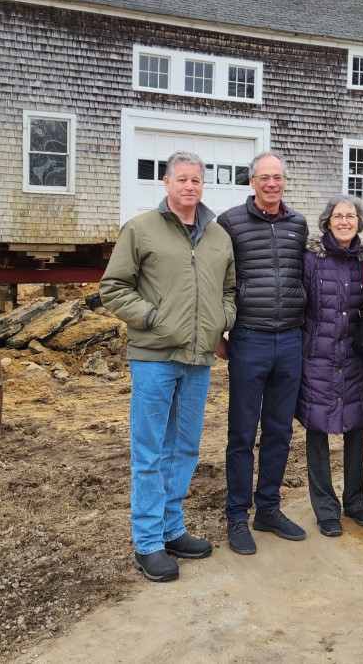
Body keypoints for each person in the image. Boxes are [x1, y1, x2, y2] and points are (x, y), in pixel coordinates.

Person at [100, 151, 235, 583]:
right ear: (166, 182)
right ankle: (148, 542)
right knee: (149, 452)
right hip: (154, 359)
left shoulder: (217, 236)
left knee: (186, 448)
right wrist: (155, 319)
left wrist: (223, 321)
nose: (190, 186)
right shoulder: (141, 229)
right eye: (182, 179)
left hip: (198, 360)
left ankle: (172, 528)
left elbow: (229, 290)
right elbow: (113, 287)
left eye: (196, 180)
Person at [217, 152, 309, 555]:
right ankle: (237, 515)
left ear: (285, 182)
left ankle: (268, 508)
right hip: (249, 338)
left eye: (277, 177)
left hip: (290, 340)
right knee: (241, 432)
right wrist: (221, 329)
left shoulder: (298, 224)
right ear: (251, 181)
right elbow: (217, 277)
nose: (271, 183)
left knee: (279, 430)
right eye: (263, 177)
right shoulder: (230, 223)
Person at [296, 194, 363, 537]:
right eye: (338, 216)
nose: (345, 221)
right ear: (327, 221)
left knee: (356, 428)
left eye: (351, 216)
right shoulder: (310, 259)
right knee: (317, 431)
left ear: (359, 222)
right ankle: (325, 507)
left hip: (355, 354)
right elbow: (297, 302)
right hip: (317, 354)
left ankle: (355, 501)